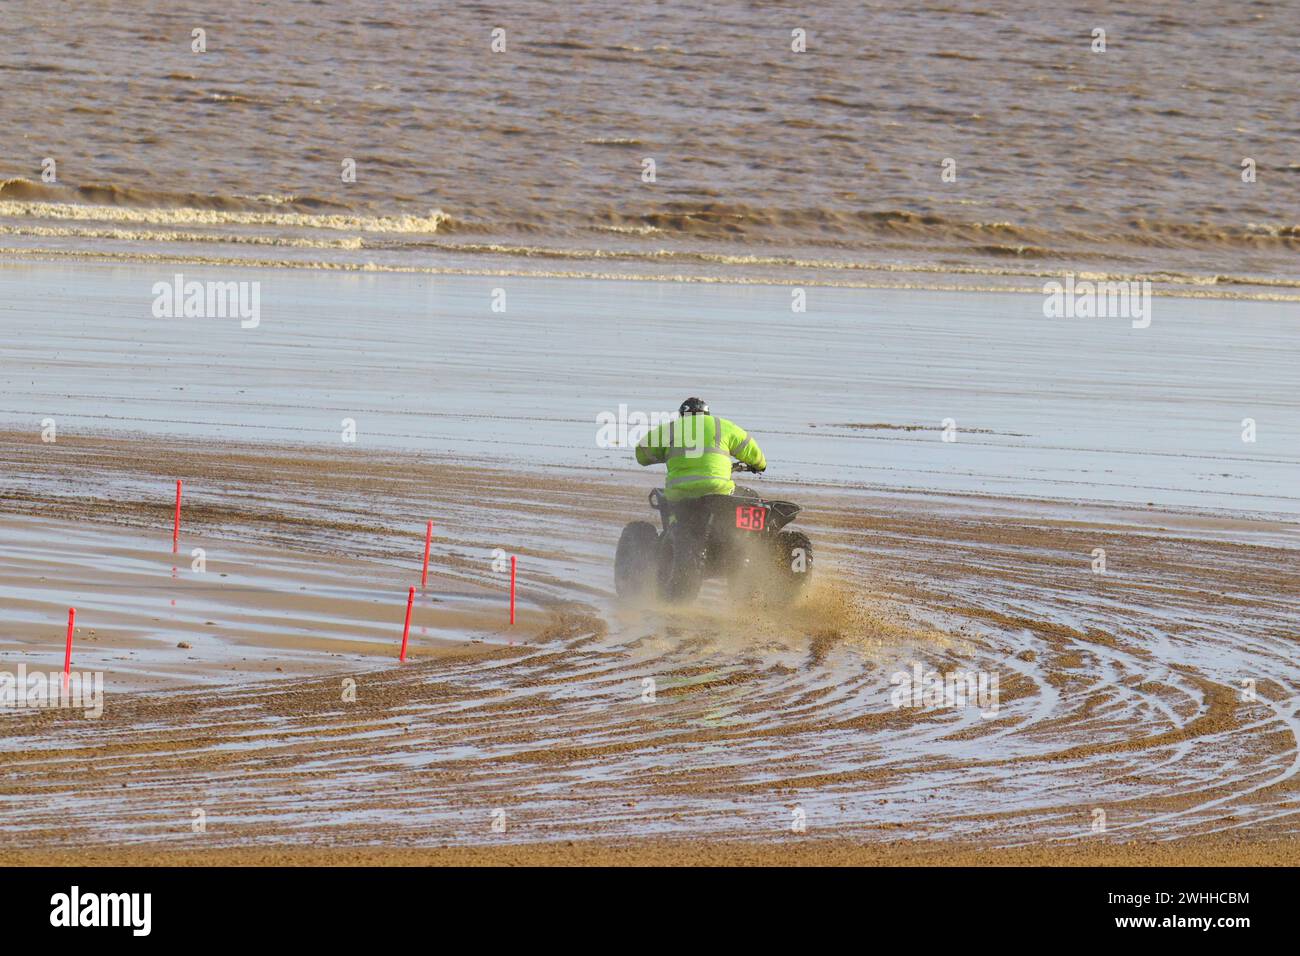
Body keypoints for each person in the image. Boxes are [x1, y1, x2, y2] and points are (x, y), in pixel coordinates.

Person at [635, 397, 767, 532]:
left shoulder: (670, 429)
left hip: (680, 492)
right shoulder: (722, 426)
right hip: (718, 489)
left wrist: (666, 454)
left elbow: (641, 454)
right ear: (707, 414)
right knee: (751, 499)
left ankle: (673, 530)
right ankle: (750, 538)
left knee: (673, 515)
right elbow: (753, 452)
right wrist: (759, 465)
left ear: (682, 415)